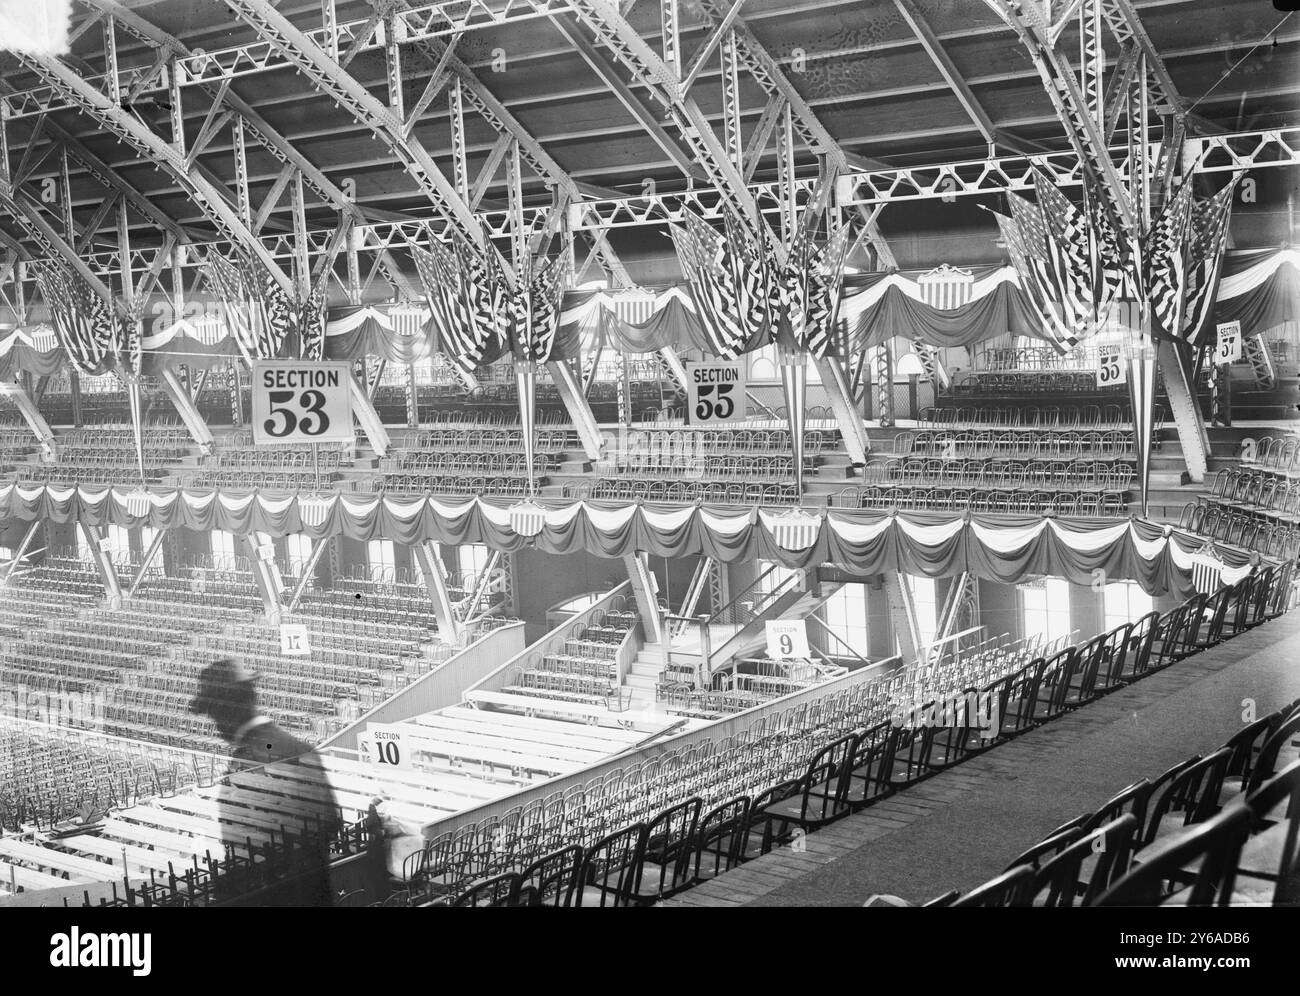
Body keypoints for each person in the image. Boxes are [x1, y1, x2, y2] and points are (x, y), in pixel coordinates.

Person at [189, 657, 341, 906]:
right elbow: (331, 822)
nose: (215, 724)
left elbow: (249, 854)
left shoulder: (248, 762)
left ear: (227, 711)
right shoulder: (297, 748)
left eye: (214, 713)